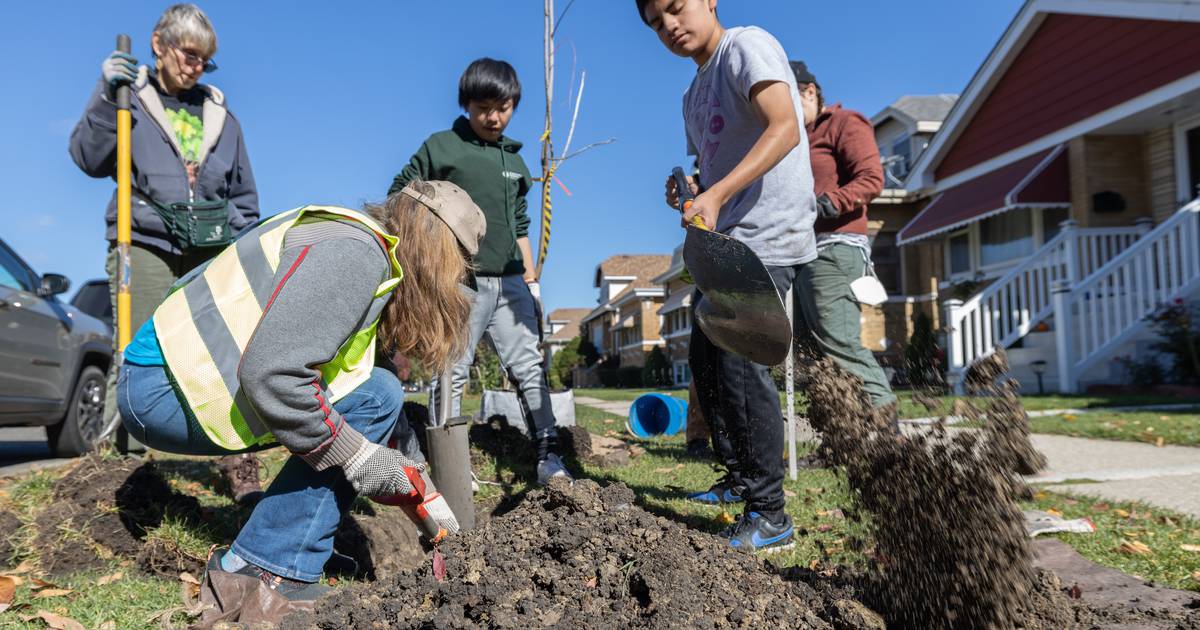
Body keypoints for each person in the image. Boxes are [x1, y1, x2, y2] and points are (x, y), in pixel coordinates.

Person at [116, 181, 480, 609]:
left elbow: (348, 377)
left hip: (175, 381)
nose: (455, 281)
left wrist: (405, 460)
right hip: (165, 389)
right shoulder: (355, 253)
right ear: (437, 248)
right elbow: (274, 375)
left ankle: (289, 546)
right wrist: (359, 456)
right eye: (457, 266)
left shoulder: (358, 244)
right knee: (379, 396)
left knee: (380, 393)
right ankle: (268, 567)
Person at [637, 0, 817, 552]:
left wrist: (716, 193)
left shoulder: (747, 46)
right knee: (706, 363)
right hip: (727, 243)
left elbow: (785, 128)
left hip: (769, 236)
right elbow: (712, 165)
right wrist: (692, 187)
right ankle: (738, 478)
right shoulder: (693, 93)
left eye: (676, 7)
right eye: (655, 21)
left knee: (740, 371)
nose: (670, 25)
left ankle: (771, 514)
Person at [69, 3, 262, 500]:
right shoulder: (130, 99)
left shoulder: (221, 115)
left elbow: (243, 197)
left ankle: (237, 463)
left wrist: (243, 247)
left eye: (205, 59)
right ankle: (118, 465)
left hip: (210, 248)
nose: (196, 66)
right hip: (146, 240)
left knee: (224, 352)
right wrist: (105, 94)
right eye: (188, 54)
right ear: (158, 45)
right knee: (136, 349)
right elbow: (88, 157)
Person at [388, 58, 571, 486]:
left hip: (511, 281)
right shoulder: (443, 147)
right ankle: (451, 465)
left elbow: (521, 225)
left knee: (528, 363)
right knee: (453, 366)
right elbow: (401, 192)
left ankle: (548, 452)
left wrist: (532, 279)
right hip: (461, 279)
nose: (494, 116)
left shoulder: (515, 162)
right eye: (483, 107)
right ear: (466, 104)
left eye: (503, 107)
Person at [791, 61, 897, 419]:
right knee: (809, 352)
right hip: (800, 253)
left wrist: (831, 202)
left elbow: (871, 178)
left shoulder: (844, 122)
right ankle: (842, 438)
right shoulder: (791, 138)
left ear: (809, 91)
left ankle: (887, 434)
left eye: (788, 98)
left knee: (839, 345)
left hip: (835, 248)